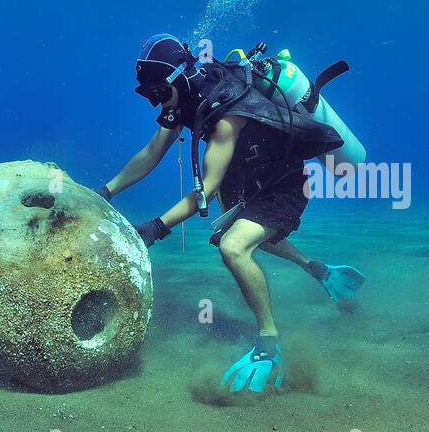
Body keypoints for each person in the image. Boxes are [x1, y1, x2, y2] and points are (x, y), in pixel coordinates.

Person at [97, 34, 366, 394]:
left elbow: (207, 189)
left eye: (159, 91)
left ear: (179, 76)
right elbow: (150, 154)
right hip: (249, 179)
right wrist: (105, 192)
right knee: (245, 234)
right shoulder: (183, 101)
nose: (156, 102)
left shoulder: (225, 110)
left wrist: (156, 228)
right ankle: (316, 268)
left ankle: (269, 342)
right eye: (148, 94)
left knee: (234, 247)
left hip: (282, 184)